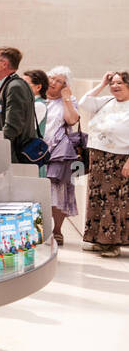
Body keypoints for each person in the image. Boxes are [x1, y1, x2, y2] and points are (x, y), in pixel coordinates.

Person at [78, 71, 129, 258]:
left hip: (120, 158)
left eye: (120, 83)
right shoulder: (107, 101)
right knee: (96, 197)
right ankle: (97, 240)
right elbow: (84, 102)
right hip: (98, 156)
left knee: (113, 200)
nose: (115, 86)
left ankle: (112, 243)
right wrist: (101, 84)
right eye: (113, 83)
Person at [43, 66, 83, 246]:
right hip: (36, 151)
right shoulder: (38, 97)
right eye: (51, 78)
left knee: (60, 191)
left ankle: (57, 230)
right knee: (42, 190)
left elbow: (72, 120)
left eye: (58, 81)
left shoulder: (68, 100)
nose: (53, 83)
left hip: (59, 152)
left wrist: (66, 97)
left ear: (65, 85)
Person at [0, 46, 39, 162]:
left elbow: (13, 126)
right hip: (8, 153)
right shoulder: (9, 85)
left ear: (4, 64)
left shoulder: (15, 87)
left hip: (12, 156)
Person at [21, 69, 49, 135]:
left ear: (38, 87)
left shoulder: (39, 105)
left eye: (25, 84)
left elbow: (25, 129)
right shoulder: (27, 102)